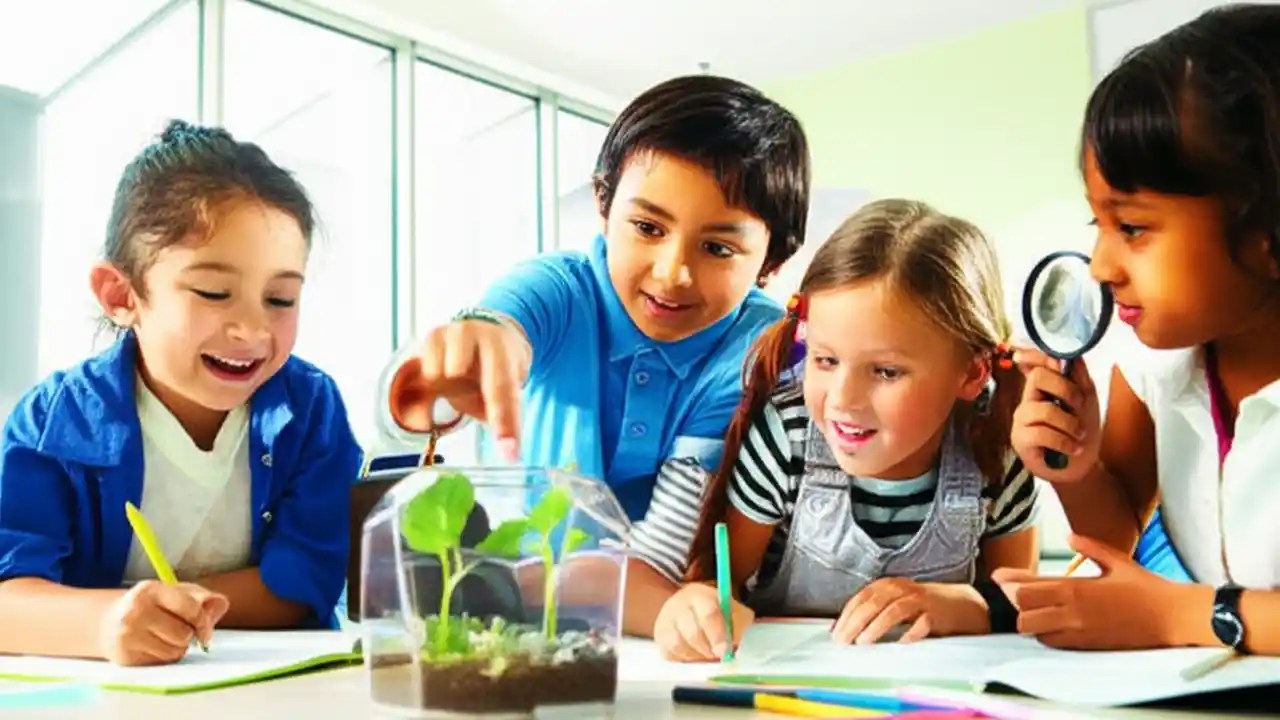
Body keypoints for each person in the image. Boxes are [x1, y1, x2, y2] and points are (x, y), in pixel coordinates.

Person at [383, 75, 812, 634]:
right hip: (494, 618)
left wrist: (544, 589)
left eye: (717, 248)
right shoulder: (556, 290)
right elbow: (494, 333)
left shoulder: (754, 347)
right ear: (604, 206)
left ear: (771, 261)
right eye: (647, 227)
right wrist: (441, 382)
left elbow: (668, 547)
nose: (673, 273)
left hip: (636, 619)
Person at [0, 120, 361, 666]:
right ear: (121, 294)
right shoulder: (54, 420)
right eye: (215, 292)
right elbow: (9, 599)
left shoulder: (310, 410)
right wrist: (107, 624)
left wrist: (181, 609)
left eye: (281, 299)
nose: (252, 331)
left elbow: (306, 578)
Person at [646, 199, 1039, 661]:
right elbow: (719, 583)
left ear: (972, 374)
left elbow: (1022, 600)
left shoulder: (995, 442)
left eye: (887, 372)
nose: (842, 400)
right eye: (825, 360)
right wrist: (696, 604)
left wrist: (966, 605)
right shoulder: (787, 435)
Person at [1005, 4, 1280, 655]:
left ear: (1269, 234)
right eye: (1095, 226)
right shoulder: (1159, 362)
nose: (1101, 266)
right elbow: (1119, 535)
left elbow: (1173, 613)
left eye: (1132, 227)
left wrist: (1186, 617)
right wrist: (1076, 469)